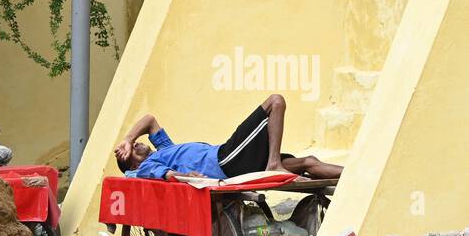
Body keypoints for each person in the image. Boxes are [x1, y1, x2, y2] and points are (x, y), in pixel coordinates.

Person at [114, 94, 344, 182]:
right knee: (275, 102)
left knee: (308, 162)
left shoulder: (163, 150)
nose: (136, 144)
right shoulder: (148, 166)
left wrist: (126, 139)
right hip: (226, 160)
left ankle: (351, 175)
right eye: (132, 149)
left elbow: (149, 120)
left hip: (233, 160)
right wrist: (185, 176)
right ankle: (273, 164)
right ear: (134, 162)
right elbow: (164, 174)